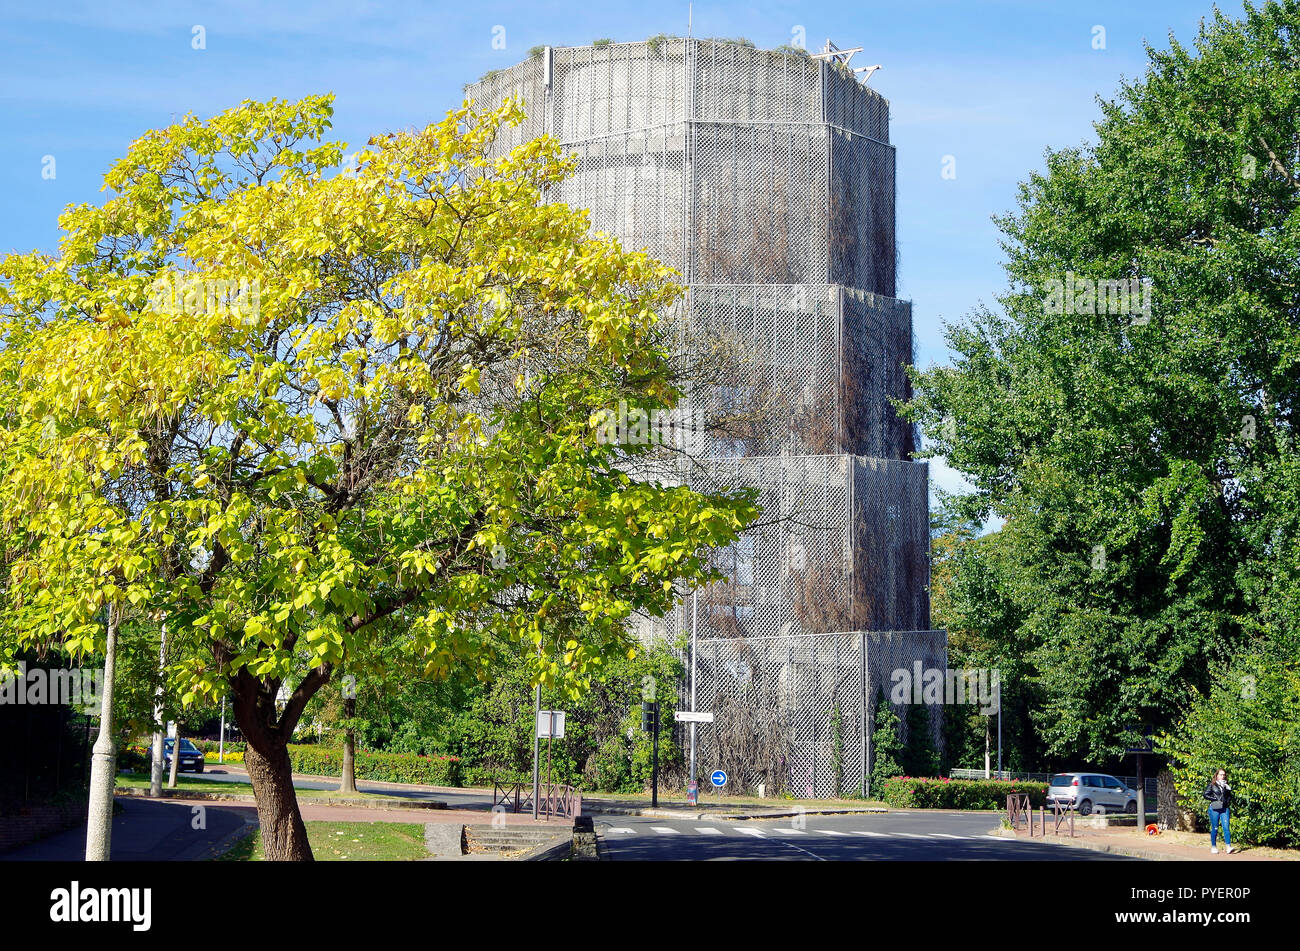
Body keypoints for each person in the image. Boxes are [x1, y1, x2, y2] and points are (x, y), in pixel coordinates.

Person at [1202, 768, 1235, 854]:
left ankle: (1228, 846)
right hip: (1215, 808)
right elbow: (1205, 794)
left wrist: (1227, 801)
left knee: (1226, 827)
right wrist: (1215, 799)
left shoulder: (1226, 786)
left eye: (1224, 775)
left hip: (1224, 808)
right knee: (1215, 828)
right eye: (1221, 775)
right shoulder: (1212, 785)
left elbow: (1230, 796)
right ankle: (1213, 846)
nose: (1222, 776)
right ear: (1216, 776)